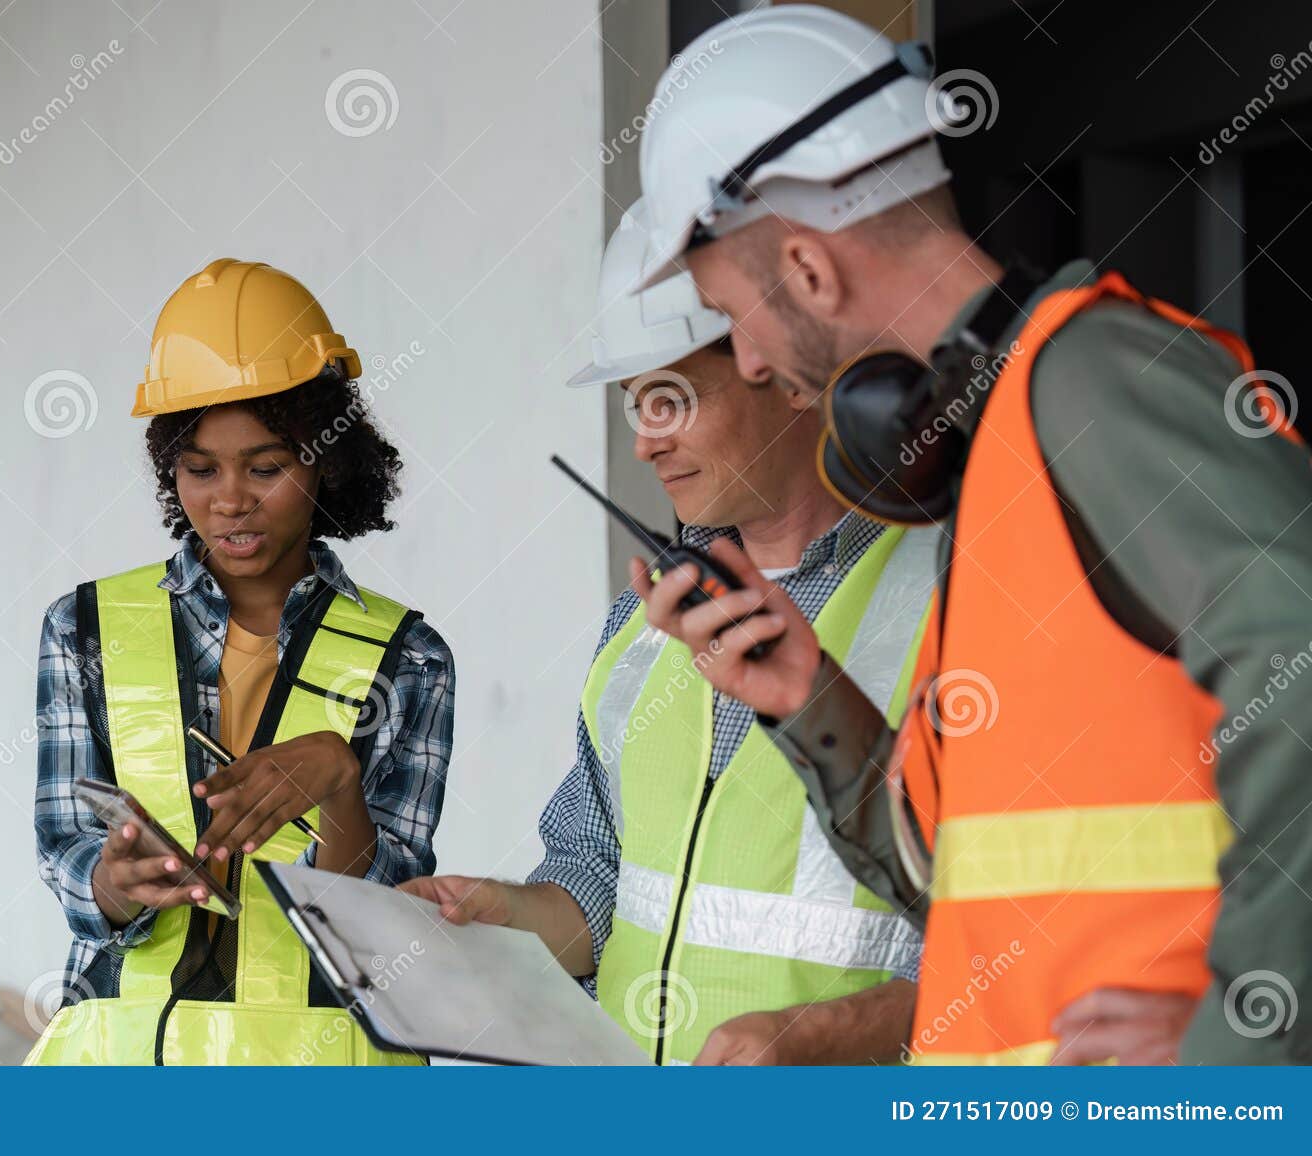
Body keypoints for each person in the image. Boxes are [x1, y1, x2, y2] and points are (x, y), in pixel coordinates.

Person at [627, 6, 1310, 1064]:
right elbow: (966, 879)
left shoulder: (1092, 382)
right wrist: (805, 697)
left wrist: (1248, 1031)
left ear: (809, 269)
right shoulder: (1000, 457)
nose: (752, 364)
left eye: (736, 316)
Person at [402, 201, 933, 1065]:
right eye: (633, 405)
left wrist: (837, 1035)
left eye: (671, 398)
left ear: (782, 369)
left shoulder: (952, 601)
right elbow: (602, 879)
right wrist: (510, 914)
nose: (645, 445)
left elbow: (1022, 931)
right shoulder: (642, 626)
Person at [27, 259, 455, 1065]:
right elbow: (65, 851)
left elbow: (389, 917)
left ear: (326, 460)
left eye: (267, 468)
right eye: (200, 470)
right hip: (125, 1064)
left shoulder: (409, 660)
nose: (230, 499)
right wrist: (116, 883)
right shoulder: (83, 630)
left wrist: (340, 784)